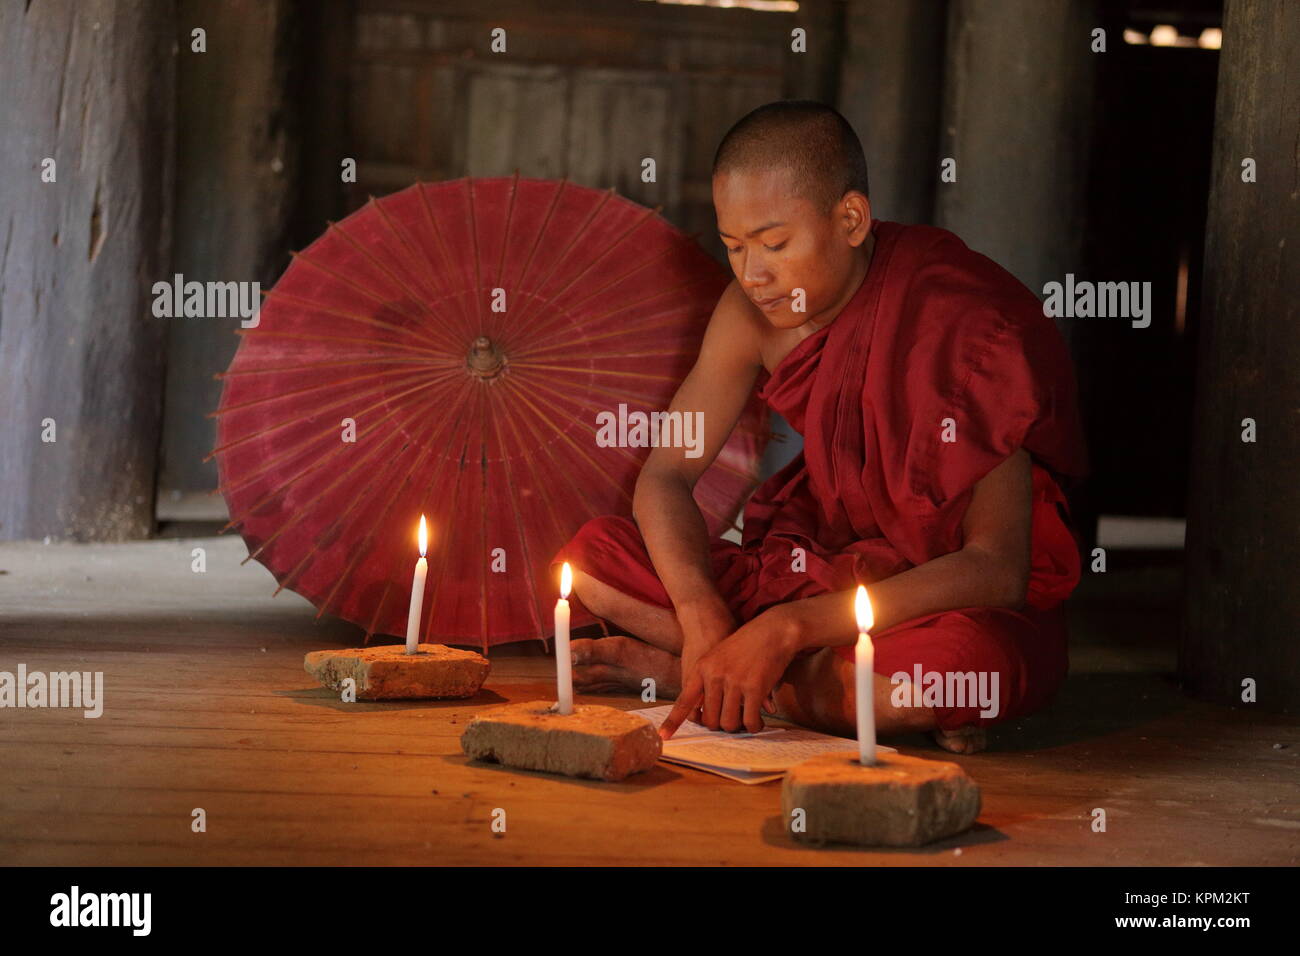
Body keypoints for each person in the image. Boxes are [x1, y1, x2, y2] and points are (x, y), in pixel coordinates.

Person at [549, 100, 1087, 754]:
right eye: (734, 246)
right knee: (592, 560)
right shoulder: (748, 314)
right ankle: (752, 672)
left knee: (947, 676)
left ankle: (720, 676)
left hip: (932, 597)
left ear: (851, 220)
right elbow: (667, 475)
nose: (753, 275)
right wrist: (699, 611)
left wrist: (785, 630)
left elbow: (996, 567)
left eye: (775, 244)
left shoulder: (960, 318)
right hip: (824, 566)